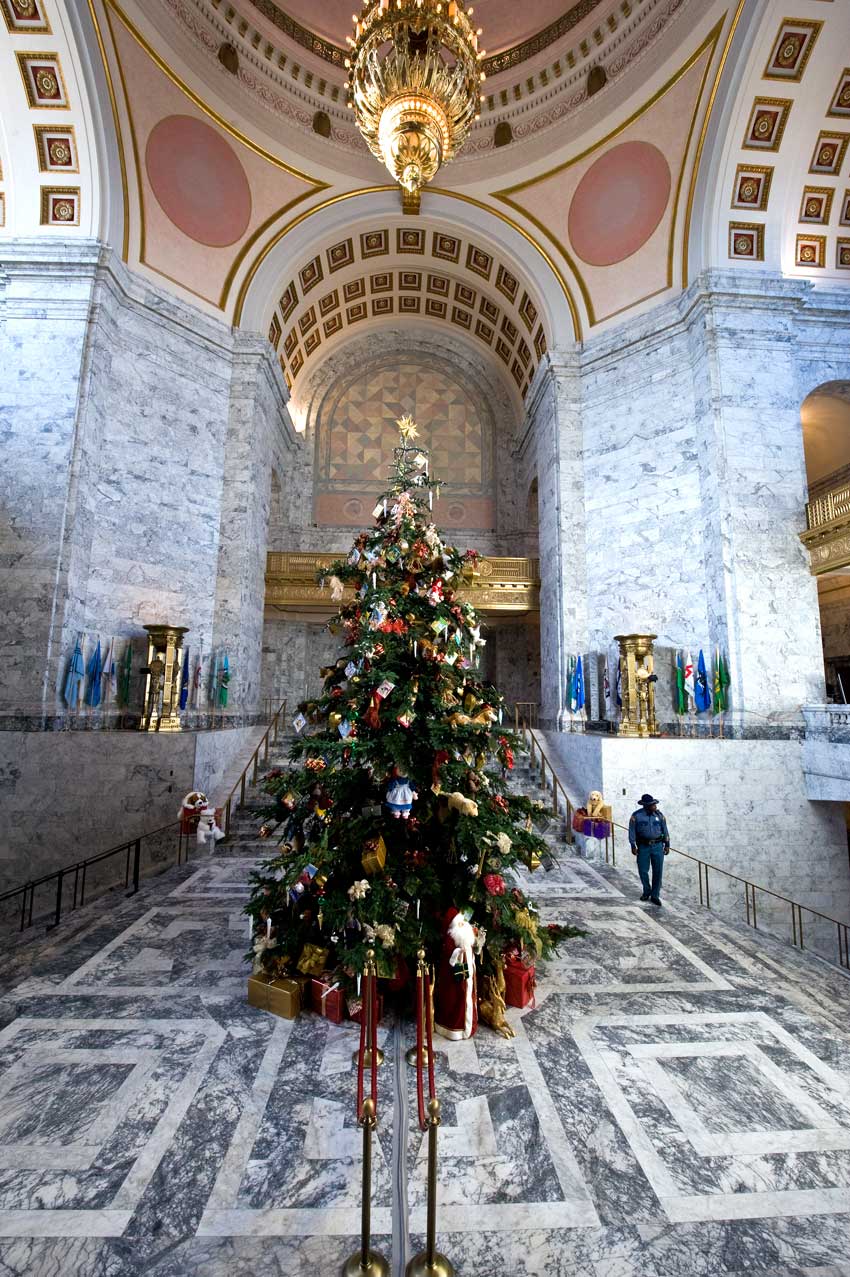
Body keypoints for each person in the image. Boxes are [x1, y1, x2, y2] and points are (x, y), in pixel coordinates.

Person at [628, 793, 669, 906]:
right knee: (642, 870)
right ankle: (647, 891)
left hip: (658, 846)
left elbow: (665, 830)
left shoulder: (659, 816)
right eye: (652, 805)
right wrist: (633, 845)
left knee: (658, 871)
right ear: (645, 805)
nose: (654, 806)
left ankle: (655, 895)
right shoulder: (636, 816)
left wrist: (667, 844)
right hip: (643, 846)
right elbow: (632, 831)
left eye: (654, 804)